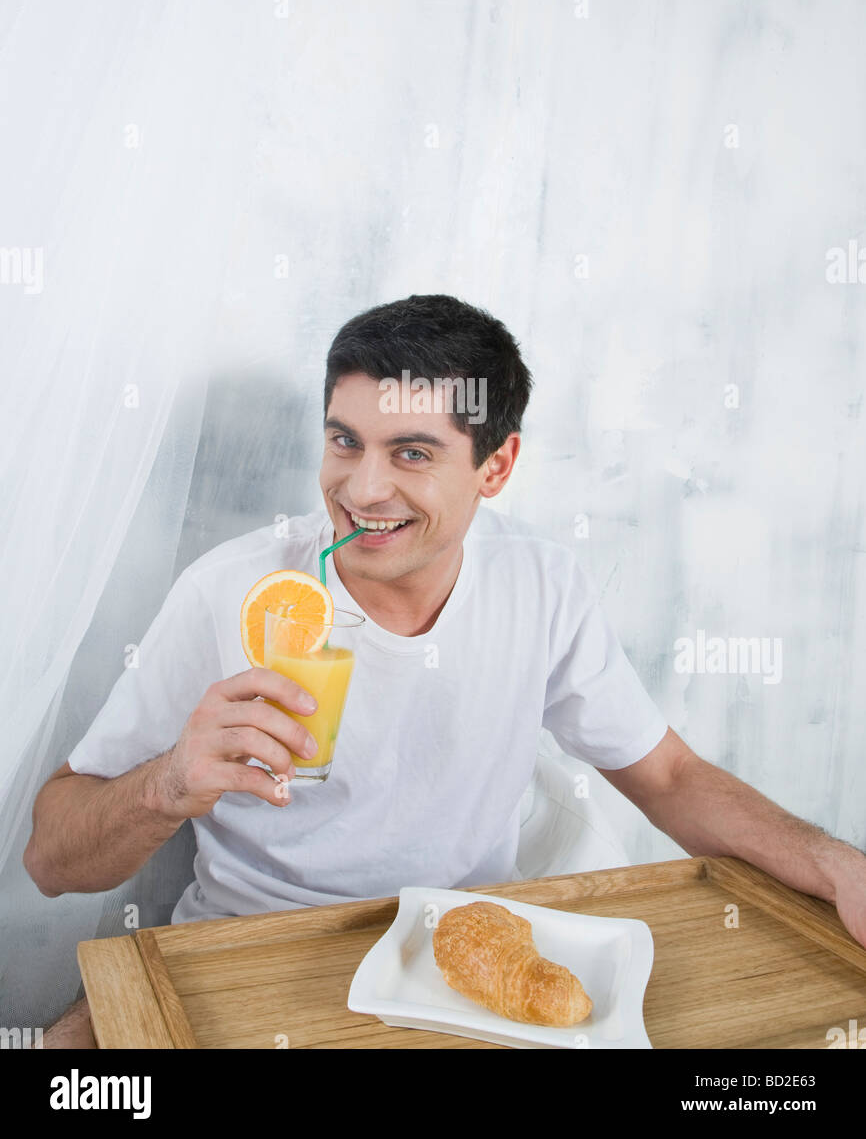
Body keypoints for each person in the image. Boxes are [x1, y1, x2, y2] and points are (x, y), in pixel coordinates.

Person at [25, 293, 866, 1048]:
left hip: (456, 977)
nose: (362, 486)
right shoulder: (234, 594)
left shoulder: (542, 589)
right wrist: (166, 785)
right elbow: (50, 859)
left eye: (413, 454)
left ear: (494, 467)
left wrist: (837, 867)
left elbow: (671, 777)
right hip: (245, 955)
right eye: (344, 441)